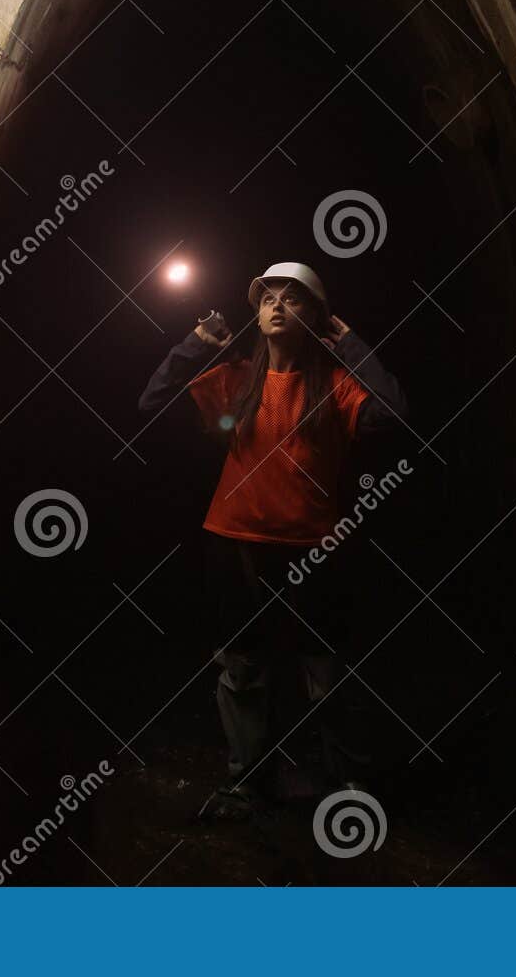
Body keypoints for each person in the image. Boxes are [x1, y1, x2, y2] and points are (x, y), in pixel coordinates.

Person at [137, 261, 408, 821]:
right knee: (242, 669)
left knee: (326, 671)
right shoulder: (237, 379)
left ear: (318, 318)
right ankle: (247, 785)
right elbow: (152, 403)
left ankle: (343, 786)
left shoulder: (335, 386)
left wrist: (352, 345)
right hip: (235, 542)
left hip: (315, 546)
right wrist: (194, 344)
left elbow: (394, 415)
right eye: (267, 298)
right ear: (257, 317)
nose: (278, 305)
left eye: (294, 298)